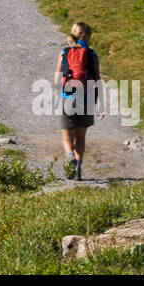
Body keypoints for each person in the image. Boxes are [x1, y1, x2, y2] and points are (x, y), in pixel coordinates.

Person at [54, 21, 100, 180]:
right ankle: (78, 169)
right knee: (81, 137)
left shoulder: (65, 52)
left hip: (68, 97)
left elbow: (58, 76)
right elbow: (97, 79)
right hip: (86, 99)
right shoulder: (92, 54)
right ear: (87, 37)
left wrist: (57, 92)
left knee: (67, 137)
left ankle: (70, 157)